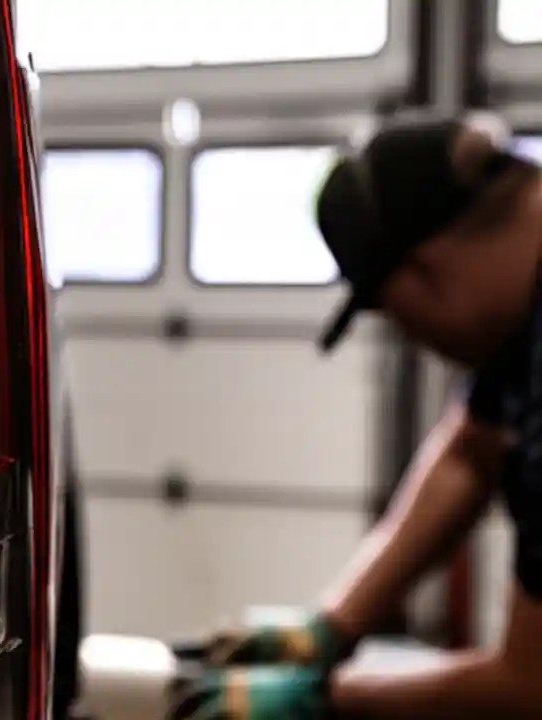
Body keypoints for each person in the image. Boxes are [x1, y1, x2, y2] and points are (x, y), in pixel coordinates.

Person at [173, 118, 542, 719]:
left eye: (397, 315)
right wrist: (332, 628)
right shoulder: (521, 322)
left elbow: (532, 686)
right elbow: (468, 453)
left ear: (427, 271)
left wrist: (326, 702)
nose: (417, 339)